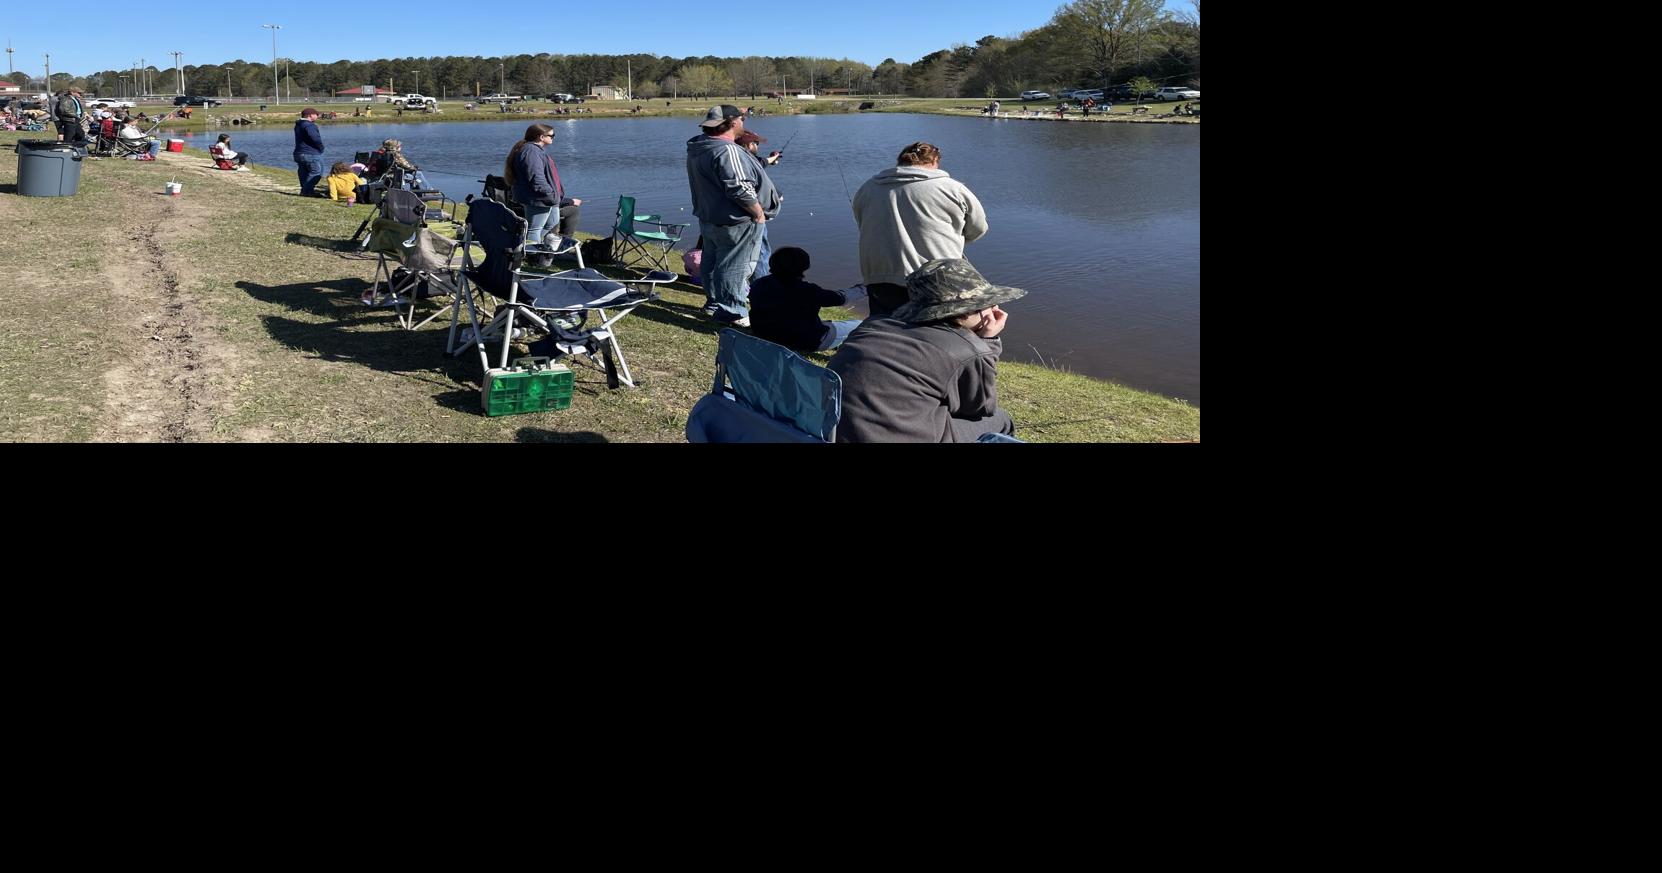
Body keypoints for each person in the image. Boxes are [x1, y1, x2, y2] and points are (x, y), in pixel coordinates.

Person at [828, 258, 1023, 443]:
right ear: (968, 310)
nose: (994, 308)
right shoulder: (965, 349)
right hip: (903, 436)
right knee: (1001, 419)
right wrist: (988, 341)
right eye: (988, 303)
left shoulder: (873, 324)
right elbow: (980, 408)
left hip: (834, 431)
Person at [850, 141, 988, 318]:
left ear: (900, 162)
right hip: (936, 279)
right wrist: (953, 240)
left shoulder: (868, 187)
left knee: (885, 331)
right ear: (934, 161)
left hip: (879, 277)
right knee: (937, 334)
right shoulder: (952, 188)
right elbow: (978, 228)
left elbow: (862, 222)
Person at [685, 104, 781, 327]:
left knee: (712, 263)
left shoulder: (700, 147)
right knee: (735, 268)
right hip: (736, 221)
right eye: (742, 120)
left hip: (711, 218)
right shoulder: (726, 150)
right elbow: (738, 186)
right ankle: (734, 313)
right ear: (732, 122)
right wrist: (758, 213)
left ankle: (714, 304)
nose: (743, 124)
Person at [749, 247, 867, 353]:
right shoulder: (807, 290)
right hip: (808, 341)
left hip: (764, 334)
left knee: (824, 323)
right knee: (862, 325)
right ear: (803, 267)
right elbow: (840, 299)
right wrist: (865, 288)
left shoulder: (759, 284)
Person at [504, 123, 582, 246]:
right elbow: (537, 179)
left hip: (547, 199)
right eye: (551, 135)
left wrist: (555, 198)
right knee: (534, 229)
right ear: (541, 137)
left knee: (552, 222)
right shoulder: (531, 152)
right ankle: (529, 253)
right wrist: (551, 195)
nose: (553, 138)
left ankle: (535, 247)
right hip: (538, 198)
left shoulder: (535, 151)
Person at [734, 129, 782, 281]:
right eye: (755, 142)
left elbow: (761, 162)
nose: (757, 145)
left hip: (743, 216)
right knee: (760, 252)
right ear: (747, 144)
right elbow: (743, 189)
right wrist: (759, 213)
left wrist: (771, 159)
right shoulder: (745, 161)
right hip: (752, 217)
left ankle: (750, 284)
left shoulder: (741, 158)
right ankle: (762, 287)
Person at [292, 107, 325, 197]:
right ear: (310, 115)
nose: (317, 116)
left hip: (299, 153)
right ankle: (306, 190)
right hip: (310, 153)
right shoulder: (309, 125)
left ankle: (308, 191)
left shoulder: (298, 125)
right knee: (317, 172)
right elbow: (315, 138)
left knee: (304, 172)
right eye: (316, 114)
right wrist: (321, 147)